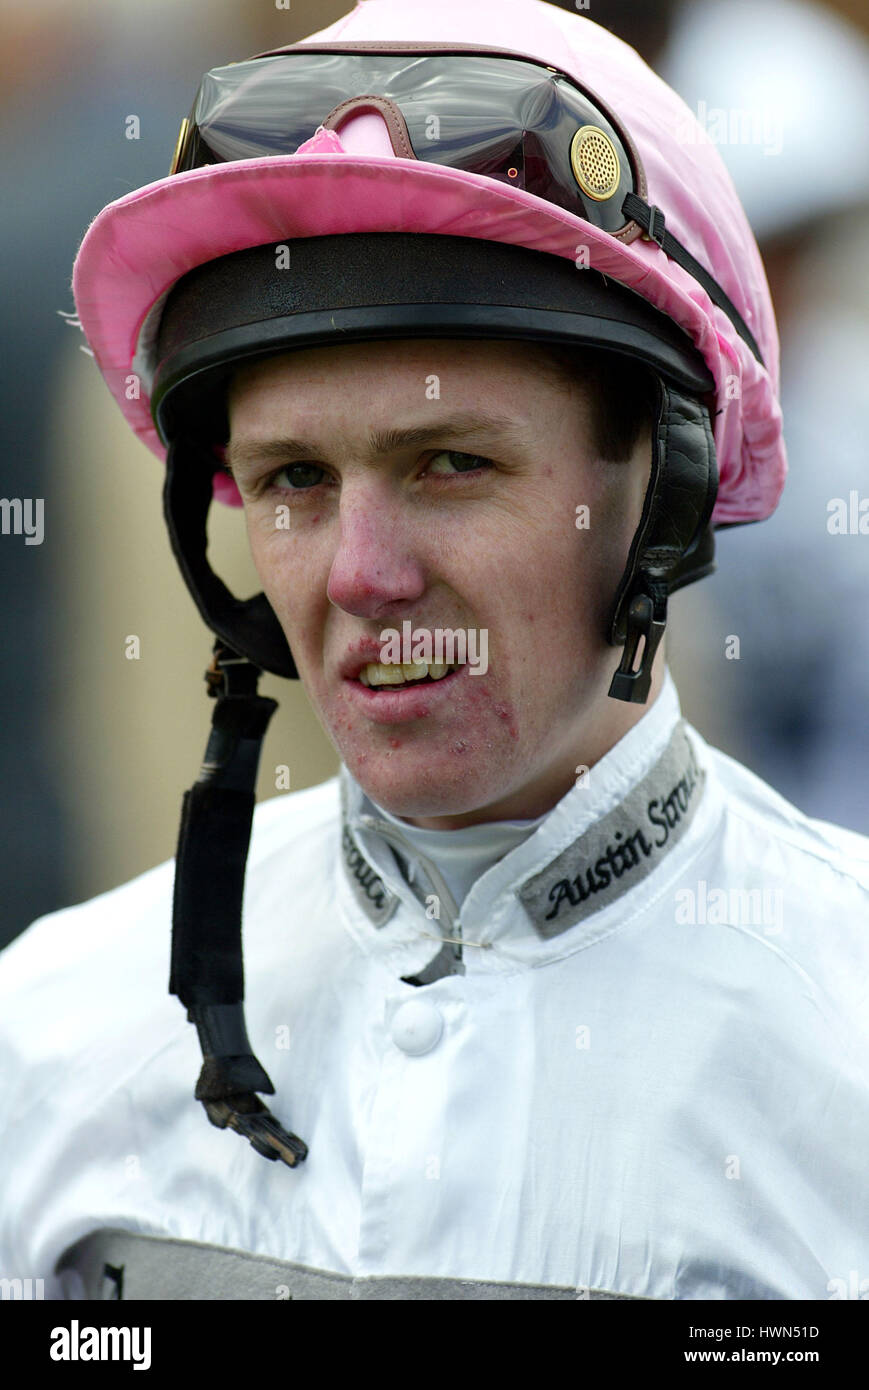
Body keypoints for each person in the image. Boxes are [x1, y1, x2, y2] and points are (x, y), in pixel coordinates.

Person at [1, 0, 867, 1302]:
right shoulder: (51, 1029)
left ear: (659, 495)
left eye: (449, 462)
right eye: (291, 478)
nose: (359, 570)